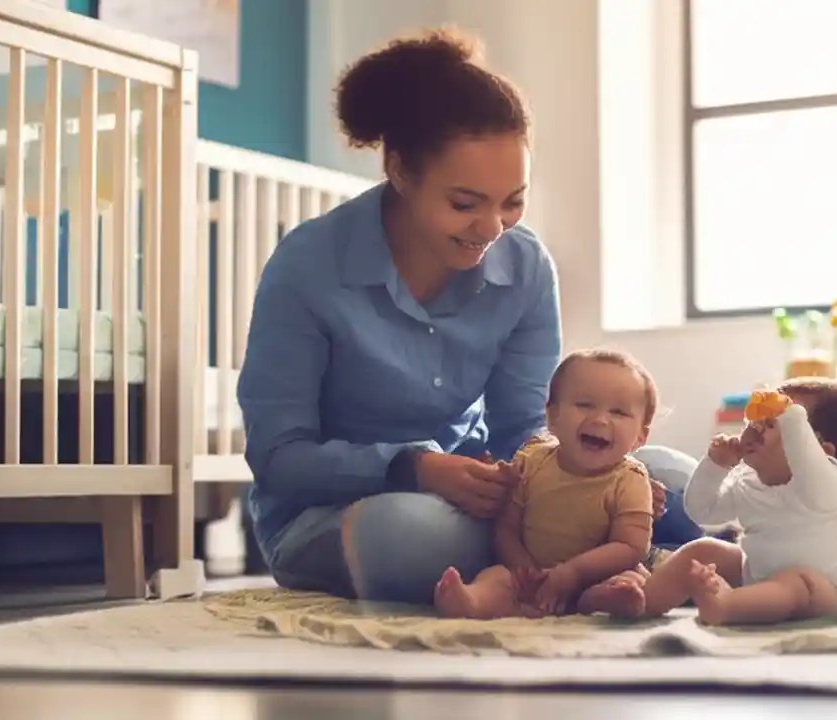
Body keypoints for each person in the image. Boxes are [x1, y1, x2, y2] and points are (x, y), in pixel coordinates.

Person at [236, 27, 701, 605]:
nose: (492, 229)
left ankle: (569, 566)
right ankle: (605, 566)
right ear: (401, 171)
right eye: (465, 204)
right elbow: (280, 459)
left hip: (496, 500)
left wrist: (577, 477)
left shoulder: (525, 265)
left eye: (513, 201)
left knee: (677, 482)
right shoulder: (307, 266)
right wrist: (412, 467)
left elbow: (524, 426)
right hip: (339, 514)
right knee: (406, 534)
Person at [605, 377, 837, 625]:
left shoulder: (828, 484)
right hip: (757, 572)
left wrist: (789, 413)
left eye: (771, 424)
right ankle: (643, 599)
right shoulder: (749, 481)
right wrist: (715, 467)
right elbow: (702, 512)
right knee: (703, 550)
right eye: (757, 419)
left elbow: (805, 453)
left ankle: (727, 606)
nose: (755, 427)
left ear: (824, 453)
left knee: (798, 583)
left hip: (828, 593)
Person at [436, 349, 664, 619]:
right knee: (496, 577)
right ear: (552, 416)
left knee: (632, 580)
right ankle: (472, 601)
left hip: (596, 575)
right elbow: (506, 528)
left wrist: (574, 573)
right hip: (533, 572)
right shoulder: (532, 461)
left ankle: (609, 600)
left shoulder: (631, 480)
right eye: (584, 405)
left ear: (641, 436)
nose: (600, 419)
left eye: (618, 412)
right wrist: (524, 569)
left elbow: (631, 547)